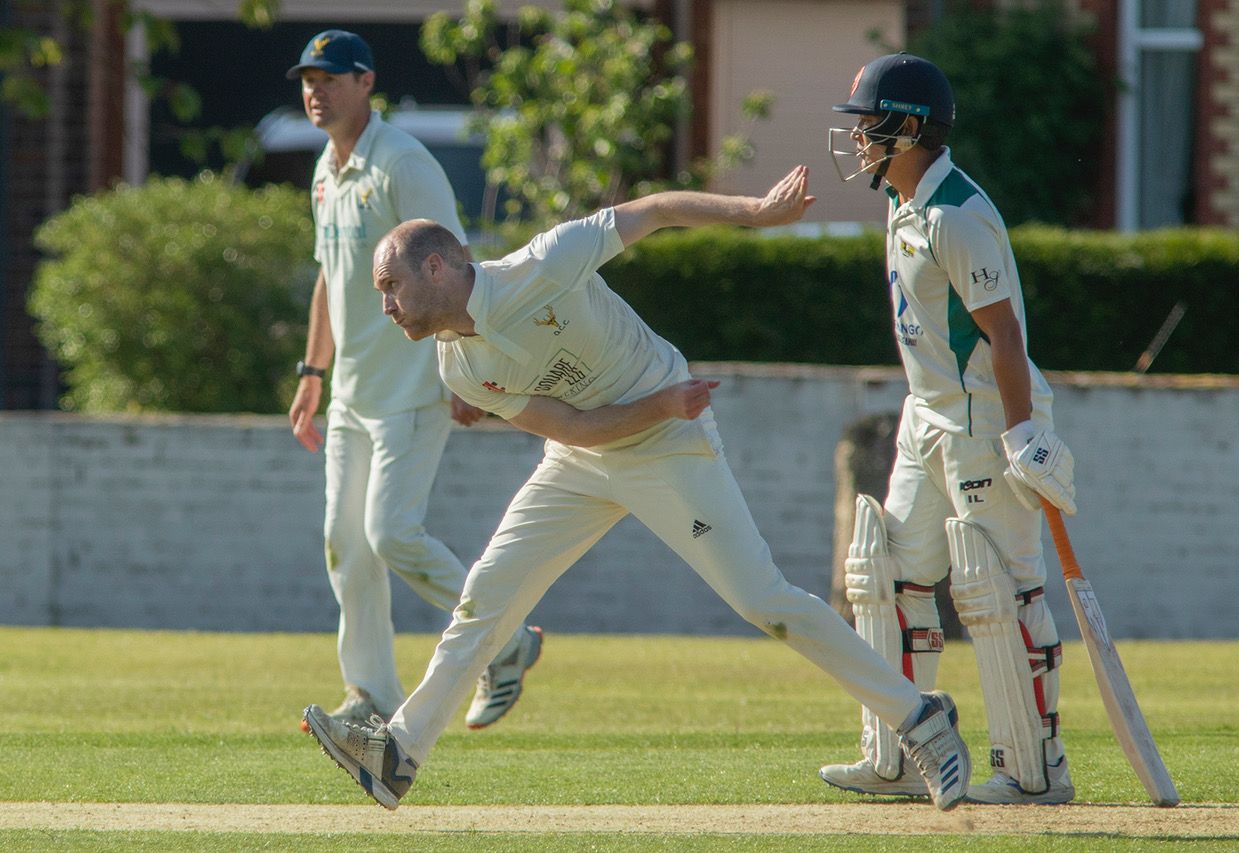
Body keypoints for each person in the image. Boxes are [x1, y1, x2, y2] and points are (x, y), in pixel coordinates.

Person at [300, 165, 972, 813]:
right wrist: (656, 407)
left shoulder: (545, 260)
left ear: (436, 267)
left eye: (390, 285)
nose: (384, 306)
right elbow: (570, 425)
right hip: (586, 452)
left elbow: (655, 211)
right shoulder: (457, 365)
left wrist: (758, 213)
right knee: (486, 597)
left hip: (670, 442)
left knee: (764, 599)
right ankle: (398, 755)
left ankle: (921, 716)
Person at [818, 53, 1077, 805]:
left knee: (995, 587)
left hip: (984, 422)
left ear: (908, 126)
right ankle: (898, 755)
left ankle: (1035, 771)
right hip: (923, 414)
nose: (860, 136)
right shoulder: (903, 204)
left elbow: (1003, 335)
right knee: (888, 575)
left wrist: (1023, 432)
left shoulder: (958, 214)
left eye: (870, 123)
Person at [284, 29, 542, 733]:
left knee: (391, 533)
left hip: (414, 384)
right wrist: (313, 370)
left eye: (331, 78)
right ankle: (368, 692)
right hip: (351, 395)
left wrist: (466, 368)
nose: (317, 91)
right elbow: (328, 279)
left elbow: (452, 271)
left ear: (366, 82)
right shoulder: (325, 170)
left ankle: (508, 638)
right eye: (309, 79)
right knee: (346, 545)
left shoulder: (402, 161)